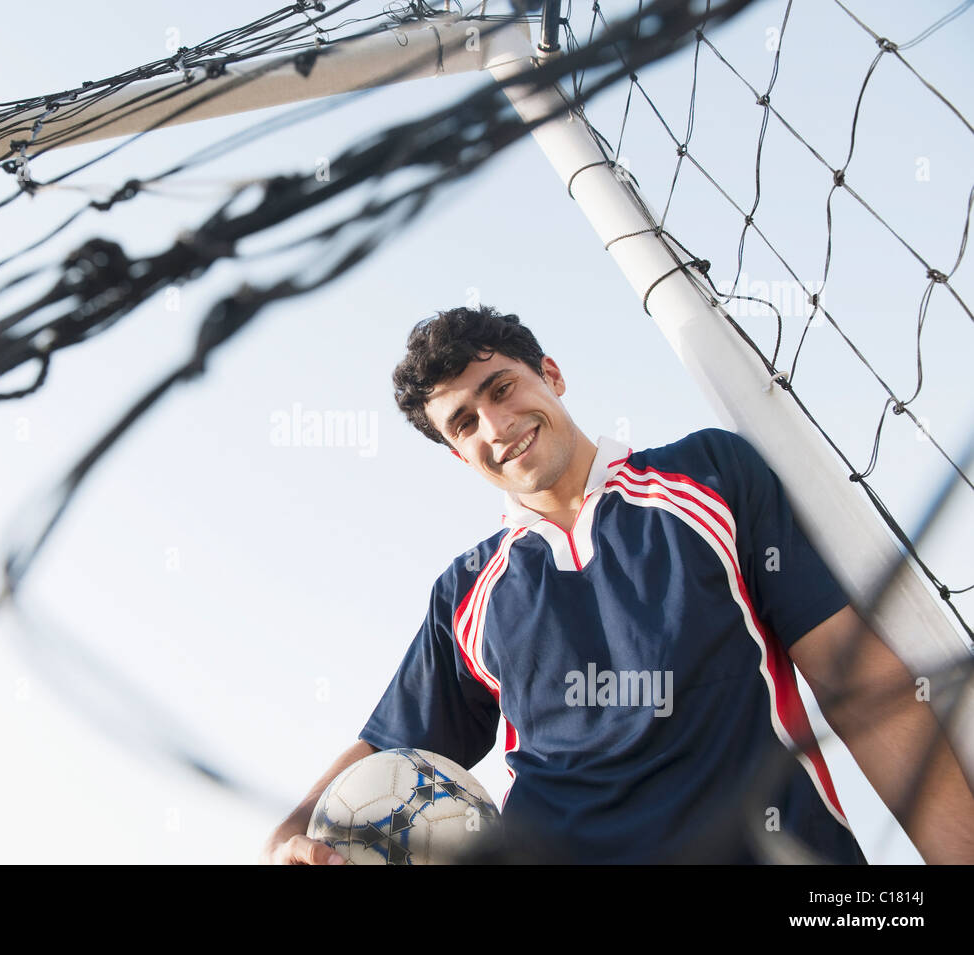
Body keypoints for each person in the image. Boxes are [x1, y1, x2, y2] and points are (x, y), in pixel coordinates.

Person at [260, 305, 974, 864]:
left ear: (552, 373)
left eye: (501, 387)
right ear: (457, 453)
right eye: (466, 421)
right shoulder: (467, 593)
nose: (497, 424)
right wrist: (284, 837)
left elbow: (866, 688)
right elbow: (383, 751)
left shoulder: (708, 476)